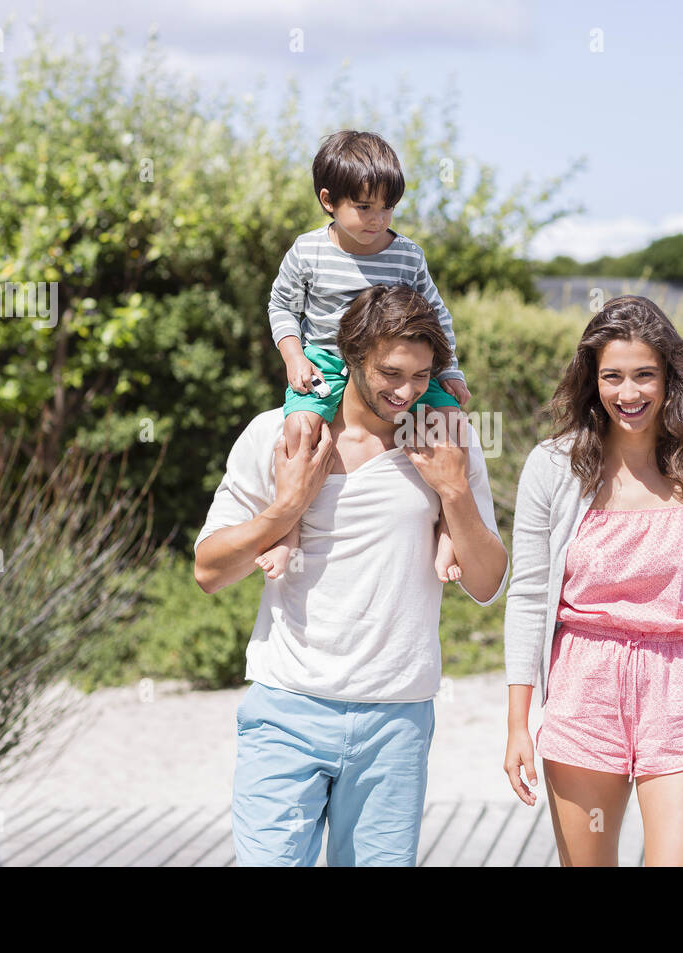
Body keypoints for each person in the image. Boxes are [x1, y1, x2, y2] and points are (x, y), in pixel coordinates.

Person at [194, 284, 508, 867]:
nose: (406, 391)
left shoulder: (447, 442)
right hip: (286, 708)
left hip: (397, 717)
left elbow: (487, 583)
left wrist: (454, 490)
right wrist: (285, 510)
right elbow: (209, 571)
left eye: (421, 375)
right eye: (390, 372)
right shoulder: (280, 435)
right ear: (350, 356)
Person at [502, 295, 683, 866]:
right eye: (613, 377)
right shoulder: (551, 467)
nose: (629, 394)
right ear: (592, 382)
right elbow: (527, 598)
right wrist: (518, 726)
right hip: (584, 687)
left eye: (645, 375)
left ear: (671, 376)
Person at [258, 129, 472, 584]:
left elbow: (436, 315)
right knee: (300, 428)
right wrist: (295, 359)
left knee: (455, 427)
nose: (378, 219)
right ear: (328, 200)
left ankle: (449, 531)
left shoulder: (407, 256)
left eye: (387, 207)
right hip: (328, 361)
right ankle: (288, 530)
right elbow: (281, 307)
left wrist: (448, 369)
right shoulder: (308, 252)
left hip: (396, 366)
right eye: (364, 207)